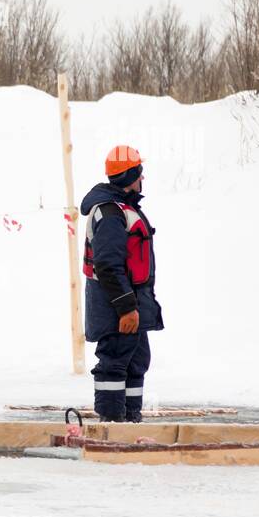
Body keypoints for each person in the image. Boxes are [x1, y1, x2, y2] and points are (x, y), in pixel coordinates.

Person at [80, 144, 163, 422]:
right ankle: (112, 424)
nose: (143, 179)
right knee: (114, 362)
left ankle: (130, 420)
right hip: (118, 308)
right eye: (140, 173)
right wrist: (127, 308)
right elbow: (108, 265)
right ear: (131, 176)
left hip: (133, 305)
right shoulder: (111, 213)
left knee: (136, 362)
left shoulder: (123, 209)